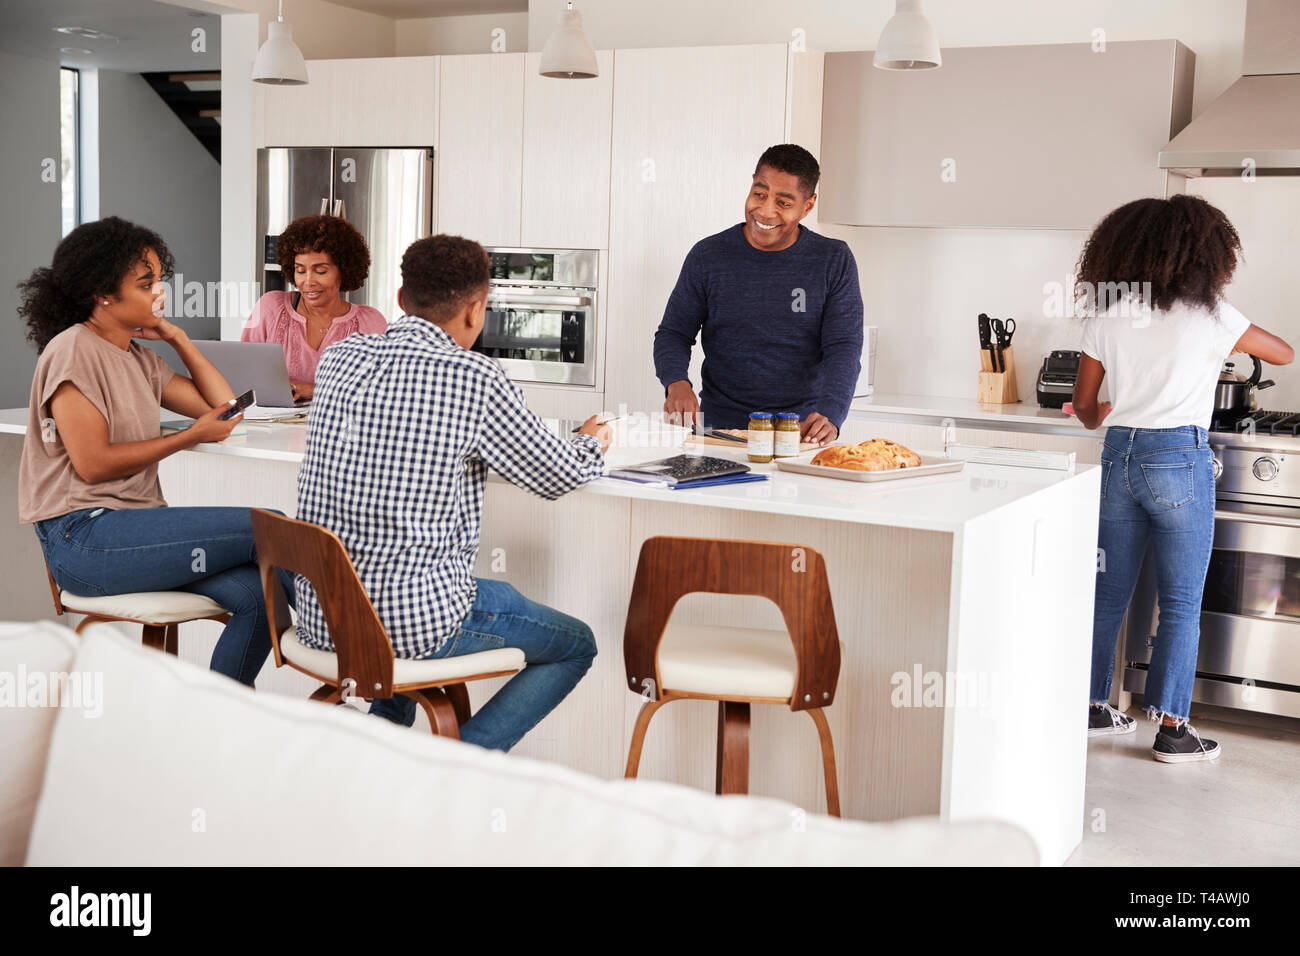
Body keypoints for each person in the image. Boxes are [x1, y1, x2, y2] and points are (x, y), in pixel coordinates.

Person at [293, 234, 612, 751]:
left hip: (324, 618)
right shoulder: (476, 378)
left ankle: (379, 761)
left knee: (426, 595)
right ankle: (458, 766)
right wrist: (589, 443)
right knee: (576, 644)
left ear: (400, 299)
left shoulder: (339, 358)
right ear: (476, 309)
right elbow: (556, 477)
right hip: (415, 622)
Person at [17, 216, 294, 686]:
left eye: (157, 280)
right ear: (103, 293)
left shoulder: (139, 357)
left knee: (258, 594)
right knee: (266, 527)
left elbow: (223, 408)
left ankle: (221, 720)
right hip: (83, 538)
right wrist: (188, 437)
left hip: (132, 532)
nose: (159, 293)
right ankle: (355, 643)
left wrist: (177, 337)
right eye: (146, 284)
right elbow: (93, 463)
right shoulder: (72, 351)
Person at [1072, 194, 1293, 763]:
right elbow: (1284, 354)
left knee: (1107, 594)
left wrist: (1111, 412)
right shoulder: (1214, 315)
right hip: (1179, 460)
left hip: (1118, 457)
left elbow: (1086, 405)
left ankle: (1092, 707)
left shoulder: (1108, 315)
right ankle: (1172, 729)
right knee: (1180, 603)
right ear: (1207, 254)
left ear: (1122, 249)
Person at [654, 143, 863, 445]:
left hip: (799, 434)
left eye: (784, 202)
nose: (765, 211)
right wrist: (676, 383)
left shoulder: (833, 260)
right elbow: (673, 333)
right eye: (759, 193)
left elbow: (843, 347)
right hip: (719, 431)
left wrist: (831, 412)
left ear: (808, 205)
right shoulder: (708, 255)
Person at [241, 214, 386, 402]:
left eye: (321, 271)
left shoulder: (369, 322)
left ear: (344, 270)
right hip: (270, 429)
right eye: (300, 270)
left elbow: (382, 393)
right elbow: (244, 376)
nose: (308, 281)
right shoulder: (271, 308)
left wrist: (315, 390)